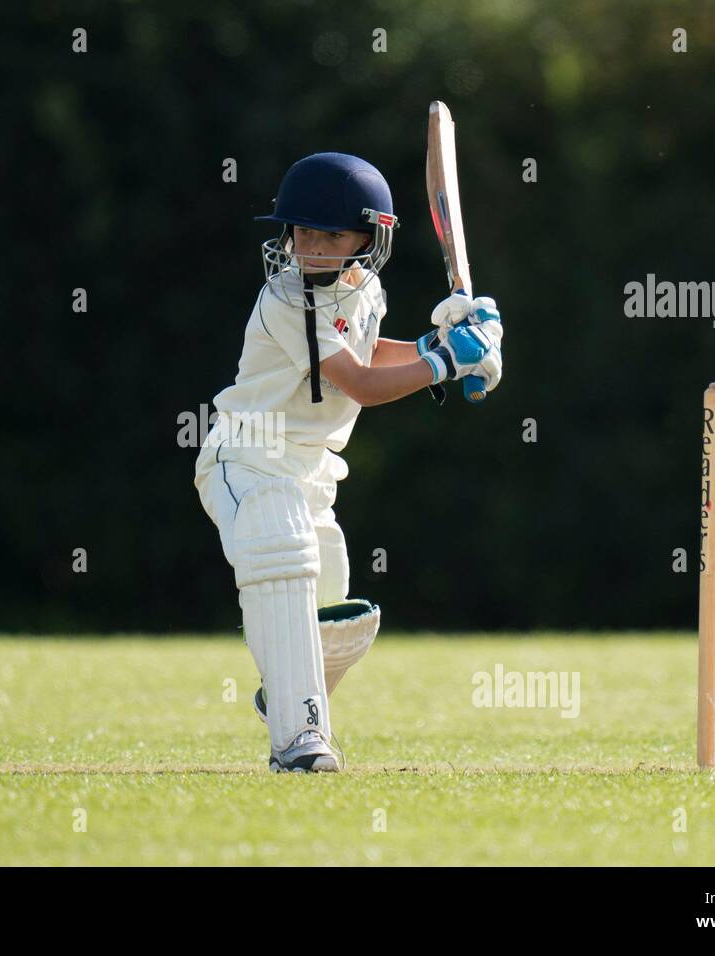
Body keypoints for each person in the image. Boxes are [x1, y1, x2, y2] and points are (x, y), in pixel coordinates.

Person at [193, 152, 504, 772]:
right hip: (247, 456)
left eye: (329, 233)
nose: (308, 245)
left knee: (335, 617)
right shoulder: (287, 299)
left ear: (369, 238)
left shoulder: (364, 290)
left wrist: (434, 346)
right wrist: (446, 363)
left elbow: (365, 352)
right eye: (300, 230)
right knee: (282, 554)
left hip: (313, 470)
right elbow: (360, 384)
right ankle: (299, 741)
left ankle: (283, 691)